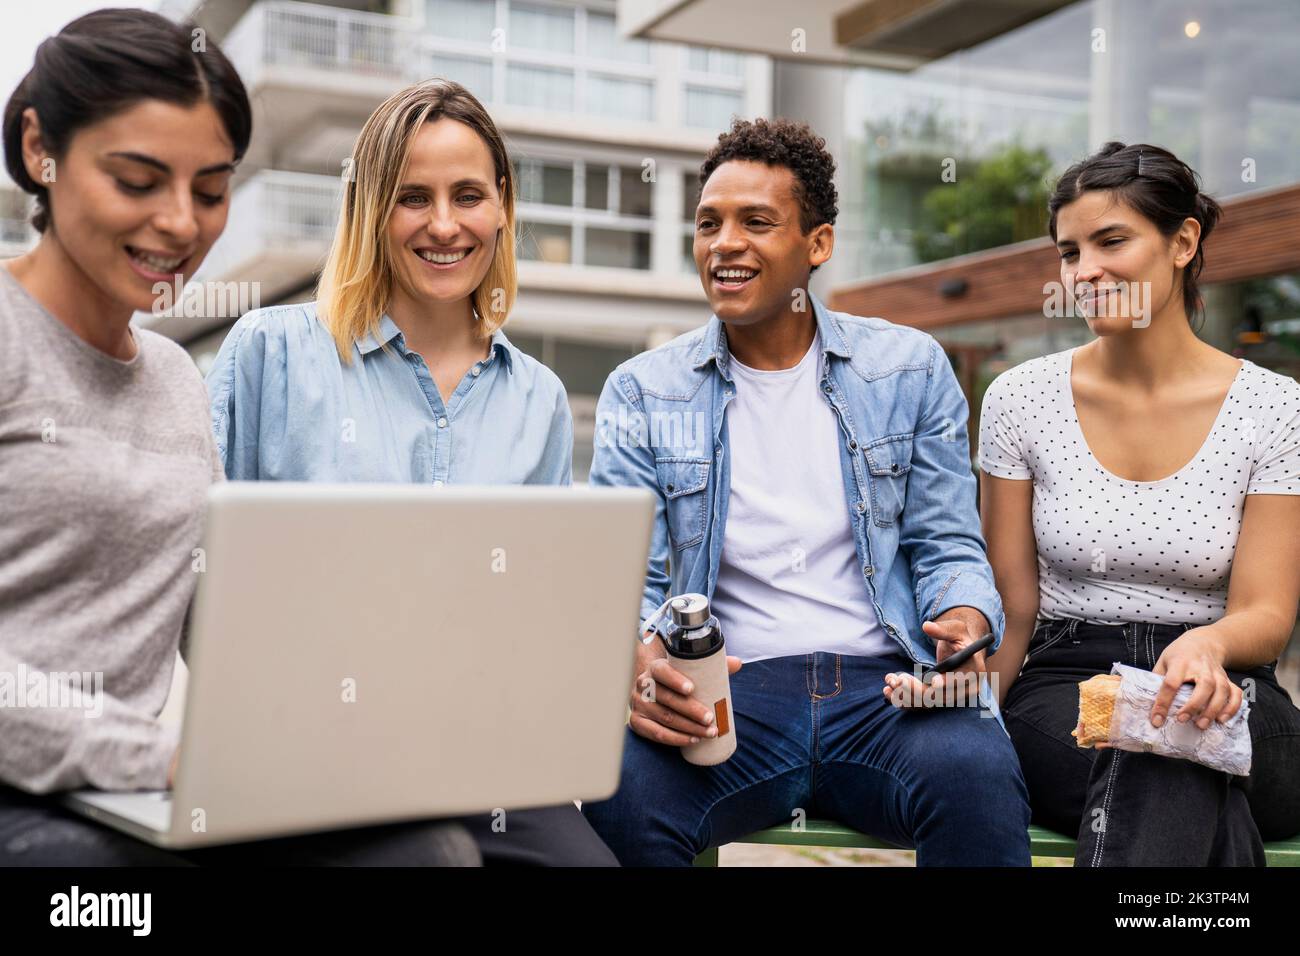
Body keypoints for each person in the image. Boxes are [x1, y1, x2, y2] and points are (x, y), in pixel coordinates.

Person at [0, 9, 477, 866]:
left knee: (428, 855)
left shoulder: (178, 381)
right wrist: (162, 757)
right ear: (42, 148)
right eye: (138, 181)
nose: (182, 224)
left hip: (130, 794)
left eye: (212, 190)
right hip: (39, 801)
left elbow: (215, 620)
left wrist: (346, 712)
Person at [580, 117, 1031, 866]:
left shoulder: (909, 369)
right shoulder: (643, 391)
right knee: (625, 795)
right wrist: (640, 660)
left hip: (891, 688)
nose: (725, 243)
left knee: (978, 779)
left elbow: (946, 541)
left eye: (757, 222)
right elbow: (628, 576)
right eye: (709, 223)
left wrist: (962, 613)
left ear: (816, 245)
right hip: (727, 691)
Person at [205, 79, 613, 866]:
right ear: (370, 210)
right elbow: (200, 570)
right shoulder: (271, 353)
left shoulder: (538, 399)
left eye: (468, 195)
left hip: (479, 755)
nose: (445, 225)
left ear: (502, 208)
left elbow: (536, 618)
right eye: (412, 198)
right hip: (300, 752)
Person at [980, 141, 1300, 866]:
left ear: (1183, 241)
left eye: (1111, 241)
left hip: (1234, 689)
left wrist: (1208, 645)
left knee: (1174, 736)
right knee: (1166, 750)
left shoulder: (1275, 409)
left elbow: (1268, 615)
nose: (1084, 271)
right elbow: (1013, 608)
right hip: (1068, 686)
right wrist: (962, 717)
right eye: (1069, 251)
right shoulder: (1020, 400)